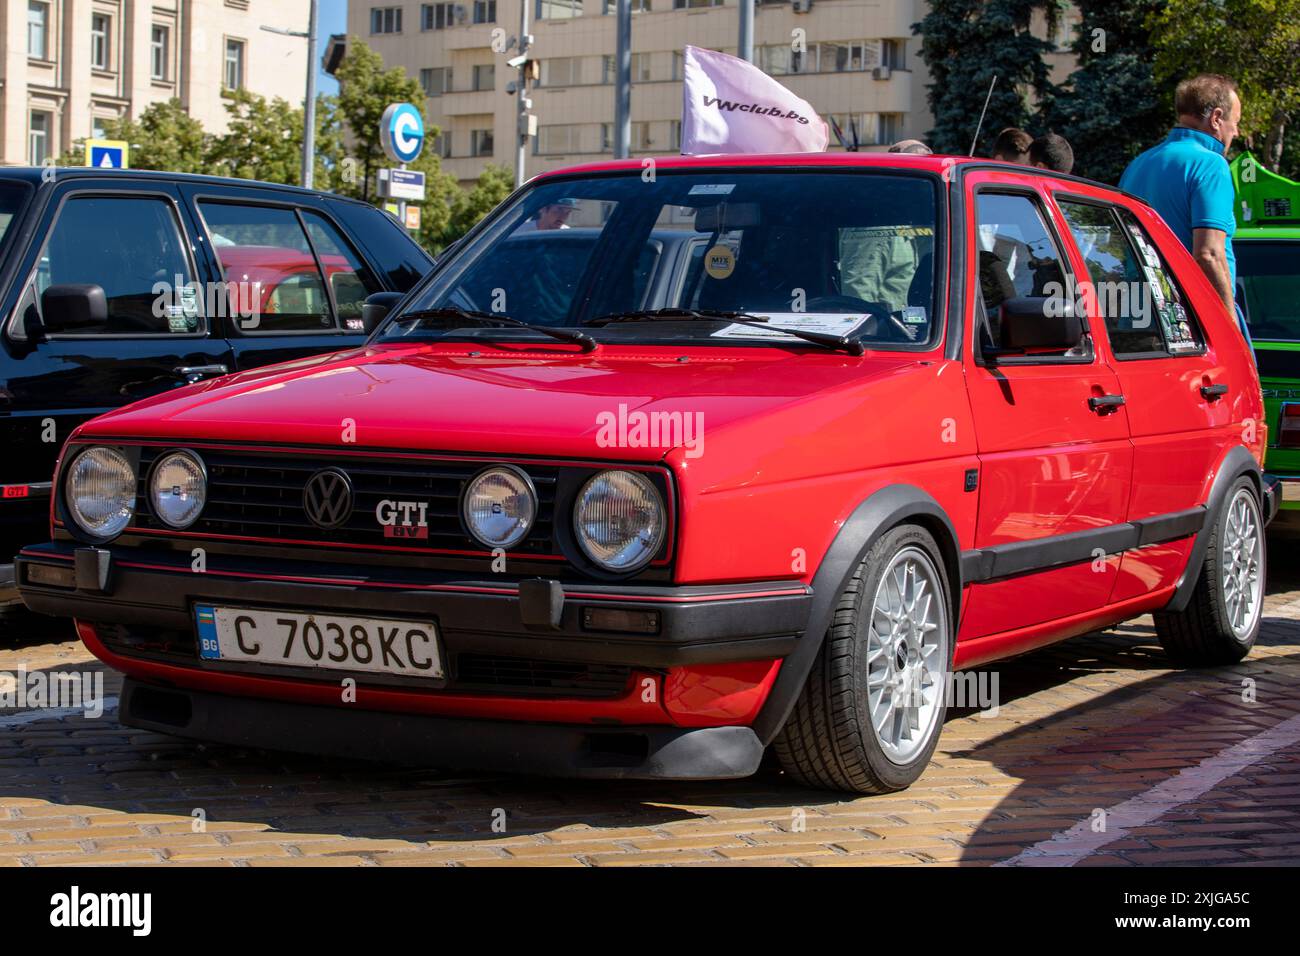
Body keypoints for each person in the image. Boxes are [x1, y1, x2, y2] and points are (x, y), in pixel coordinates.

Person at [1119, 73, 1247, 345]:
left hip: (1134, 323)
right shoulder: (1211, 165)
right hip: (1187, 325)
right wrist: (1229, 328)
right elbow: (1208, 254)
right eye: (1235, 123)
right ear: (1216, 118)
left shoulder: (1137, 165)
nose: (1236, 132)